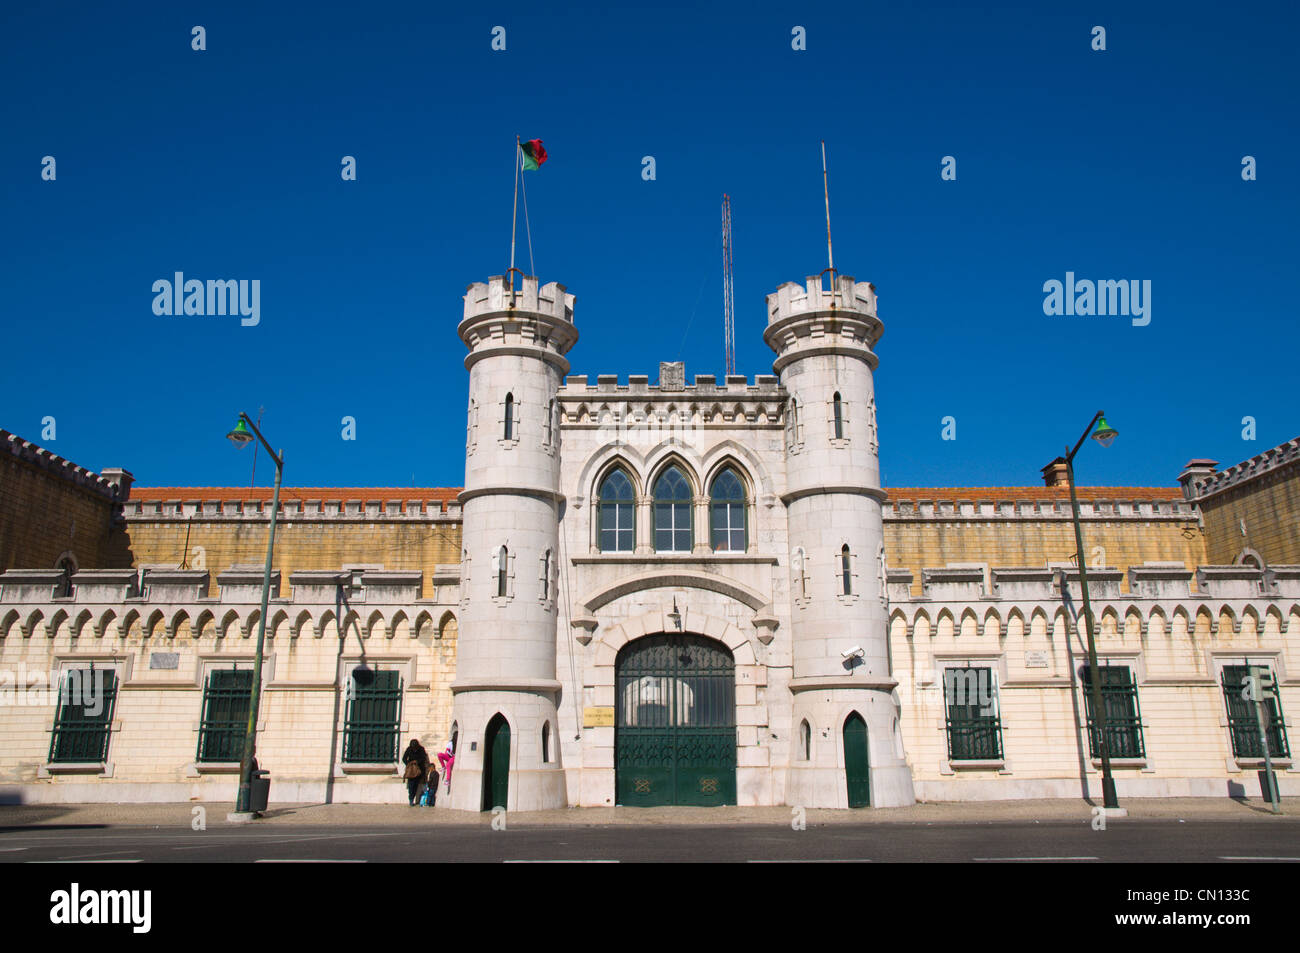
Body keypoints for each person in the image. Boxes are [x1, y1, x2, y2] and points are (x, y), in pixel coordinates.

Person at [401, 738, 430, 806]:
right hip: (411, 770)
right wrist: (409, 764)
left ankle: (413, 798)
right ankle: (411, 799)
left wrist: (417, 763)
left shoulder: (421, 749)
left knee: (416, 785)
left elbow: (423, 758)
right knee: (411, 785)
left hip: (418, 770)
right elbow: (404, 758)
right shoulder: (409, 749)